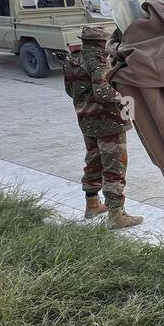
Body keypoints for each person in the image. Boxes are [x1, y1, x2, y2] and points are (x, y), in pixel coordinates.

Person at [61, 23, 143, 230]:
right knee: (115, 167)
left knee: (93, 160)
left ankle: (92, 204)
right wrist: (126, 96)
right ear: (101, 42)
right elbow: (103, 93)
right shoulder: (98, 60)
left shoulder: (72, 58)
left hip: (86, 119)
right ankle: (116, 214)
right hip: (108, 122)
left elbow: (70, 90)